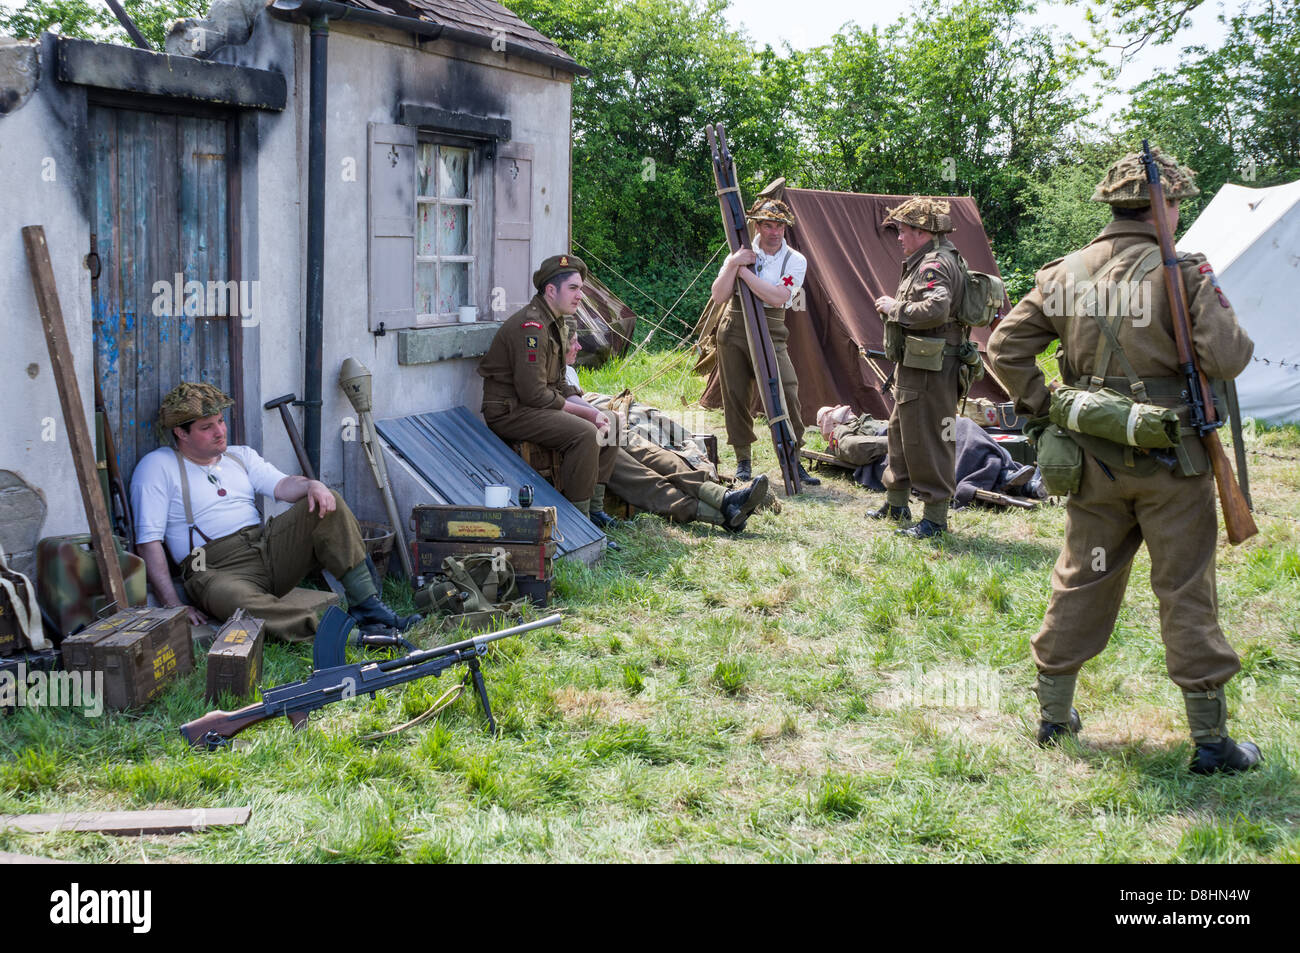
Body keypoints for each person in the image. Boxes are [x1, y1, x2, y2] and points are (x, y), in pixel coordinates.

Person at [986, 147, 1260, 774]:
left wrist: (1047, 407)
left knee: (1082, 575)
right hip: (1175, 464)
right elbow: (1230, 357)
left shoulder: (1062, 275)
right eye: (1178, 202)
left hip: (1093, 464)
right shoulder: (1184, 272)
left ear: (1110, 204)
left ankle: (1053, 716)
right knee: (1186, 587)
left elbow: (1005, 347)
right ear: (1164, 204)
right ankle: (1211, 742)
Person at [131, 382, 418, 642]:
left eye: (220, 421)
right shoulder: (158, 466)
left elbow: (283, 485)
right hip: (212, 568)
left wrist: (313, 486)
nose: (220, 432)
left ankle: (368, 609)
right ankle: (346, 638)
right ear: (181, 433)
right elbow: (149, 541)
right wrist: (172, 604)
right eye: (207, 427)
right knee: (238, 602)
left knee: (327, 501)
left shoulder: (239, 456)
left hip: (265, 547)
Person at [563, 334, 770, 532]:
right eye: (572, 342)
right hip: (583, 433)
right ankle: (721, 515)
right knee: (641, 477)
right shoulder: (548, 369)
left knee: (657, 456)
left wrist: (607, 417)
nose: (579, 347)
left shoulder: (569, 371)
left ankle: (723, 498)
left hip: (601, 426)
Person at [479, 254, 619, 527]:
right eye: (573, 288)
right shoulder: (531, 327)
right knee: (586, 434)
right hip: (511, 410)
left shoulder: (554, 322)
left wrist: (595, 411)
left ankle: (596, 511)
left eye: (580, 288)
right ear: (551, 290)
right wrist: (588, 417)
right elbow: (534, 394)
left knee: (611, 422)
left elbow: (559, 383)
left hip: (532, 406)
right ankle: (578, 523)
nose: (580, 295)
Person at [872, 198, 968, 539]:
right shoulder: (930, 259)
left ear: (922, 232)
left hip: (931, 367)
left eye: (903, 230)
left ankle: (935, 519)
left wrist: (895, 308)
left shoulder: (934, 265)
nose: (899, 237)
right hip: (916, 363)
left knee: (928, 439)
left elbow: (936, 309)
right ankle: (896, 502)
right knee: (900, 432)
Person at [709, 197, 819, 488]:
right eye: (768, 225)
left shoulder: (795, 260)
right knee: (735, 394)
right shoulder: (738, 253)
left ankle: (793, 457)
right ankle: (743, 460)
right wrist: (734, 262)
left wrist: (743, 273)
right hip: (734, 327)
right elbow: (719, 296)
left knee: (787, 390)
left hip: (772, 330)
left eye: (779, 225)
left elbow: (777, 297)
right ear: (757, 226)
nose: (774, 232)